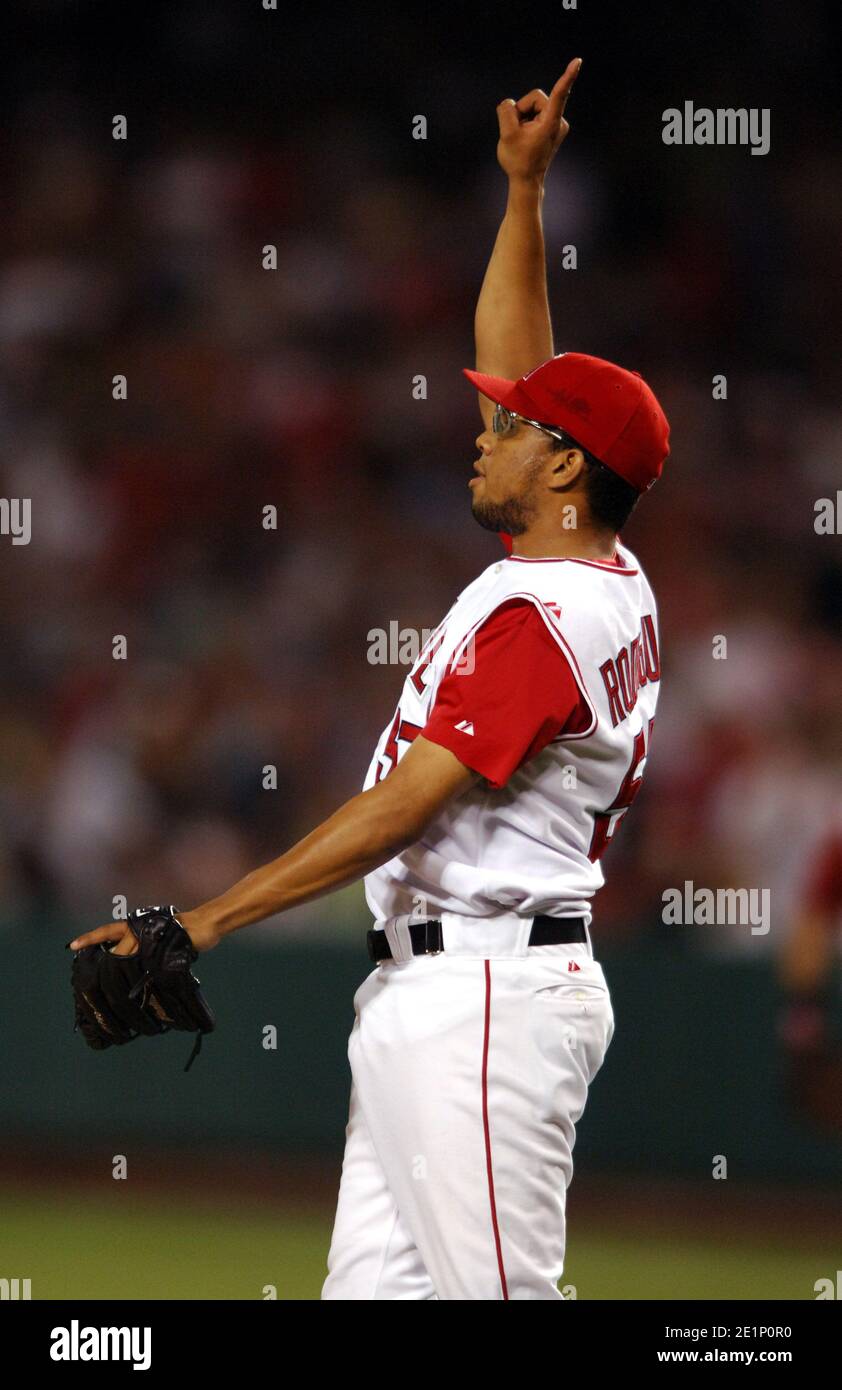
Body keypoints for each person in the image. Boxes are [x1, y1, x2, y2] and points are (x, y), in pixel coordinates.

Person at [69, 56, 671, 1299]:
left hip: (488, 996)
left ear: (562, 471)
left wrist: (202, 921)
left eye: (510, 429)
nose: (483, 427)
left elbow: (405, 806)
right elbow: (530, 371)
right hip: (441, 988)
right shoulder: (594, 563)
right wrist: (521, 195)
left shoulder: (542, 618)